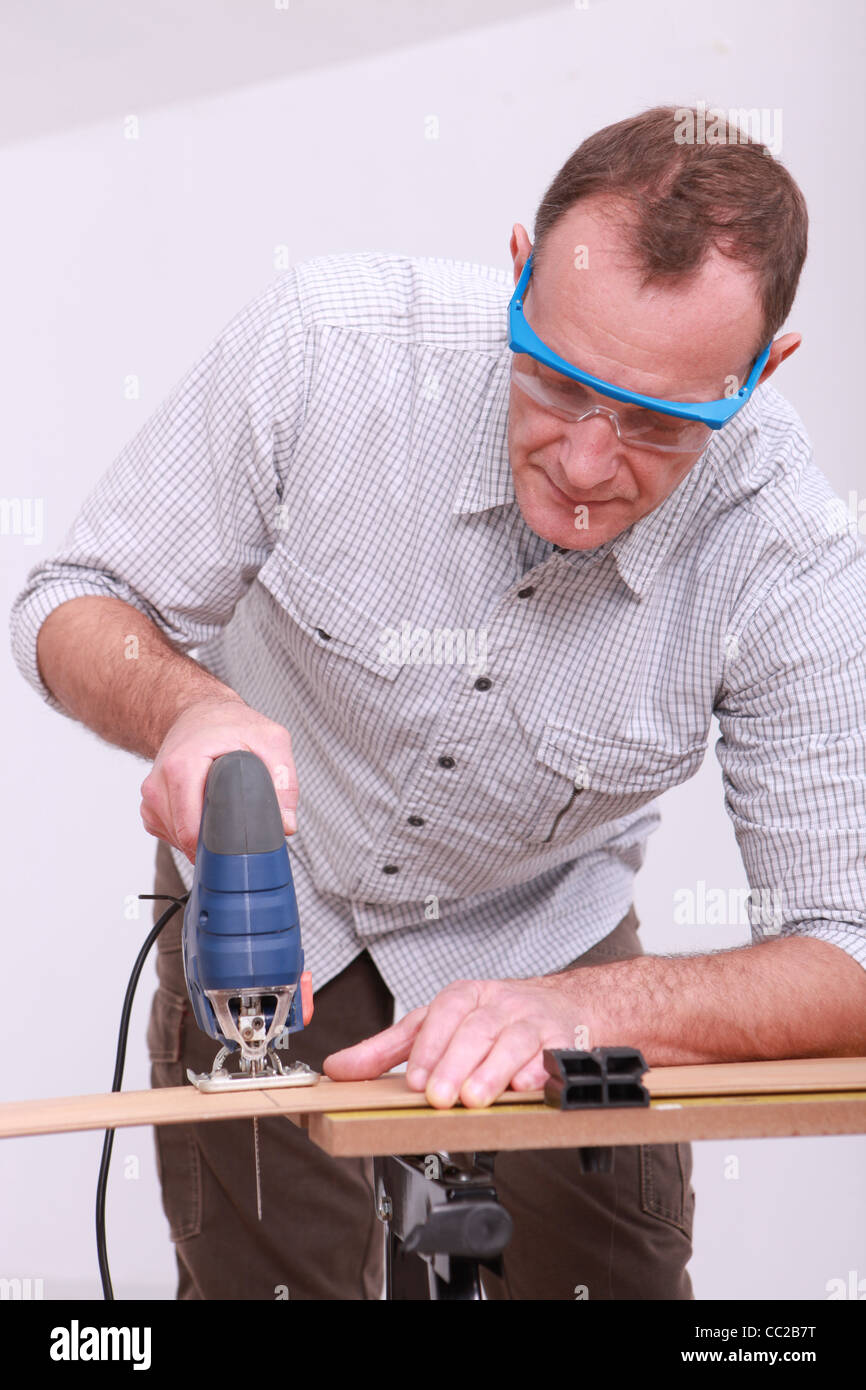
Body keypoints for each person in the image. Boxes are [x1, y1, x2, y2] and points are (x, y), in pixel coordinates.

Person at [11, 105, 866, 1301]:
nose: (581, 462)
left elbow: (851, 947)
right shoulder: (328, 346)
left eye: (662, 423)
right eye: (556, 381)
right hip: (276, 904)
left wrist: (587, 1009)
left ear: (760, 378)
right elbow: (74, 593)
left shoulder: (790, 557)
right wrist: (183, 710)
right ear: (517, 271)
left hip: (542, 932)